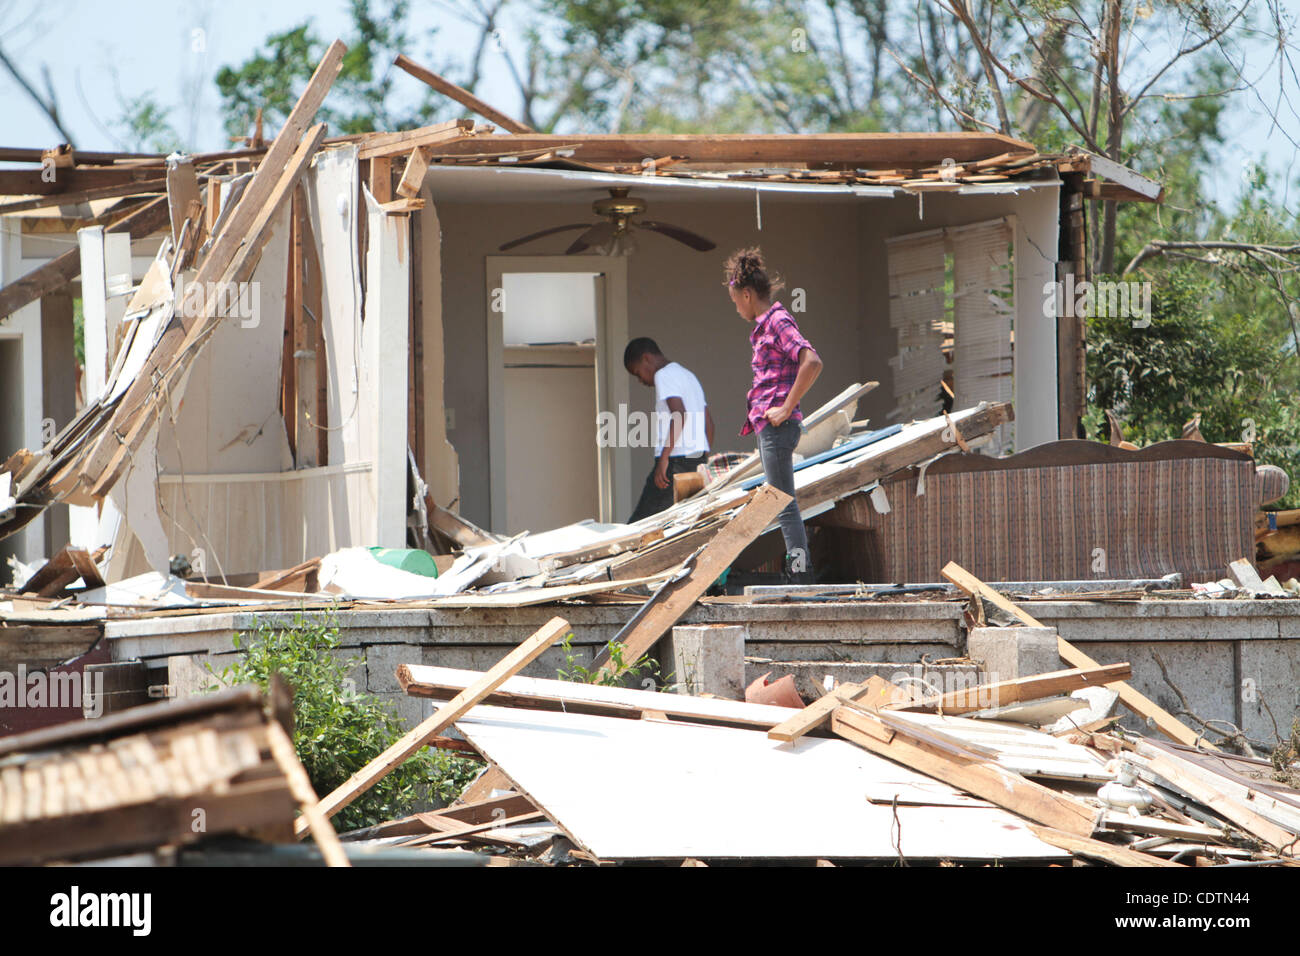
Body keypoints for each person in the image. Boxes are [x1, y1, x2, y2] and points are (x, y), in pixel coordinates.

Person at [724, 247, 823, 583]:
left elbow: (811, 361)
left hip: (778, 427)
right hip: (769, 427)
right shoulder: (765, 326)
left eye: (736, 300)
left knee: (783, 503)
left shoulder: (778, 320)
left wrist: (785, 406)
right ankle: (798, 570)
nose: (736, 307)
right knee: (780, 501)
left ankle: (800, 573)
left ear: (748, 294)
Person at [624, 337, 714, 522]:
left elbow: (679, 414)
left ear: (646, 359)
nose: (641, 380)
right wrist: (703, 457)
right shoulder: (689, 376)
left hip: (675, 462)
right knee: (678, 523)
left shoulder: (663, 375)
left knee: (641, 523)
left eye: (638, 373)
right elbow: (709, 423)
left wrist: (664, 459)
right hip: (696, 460)